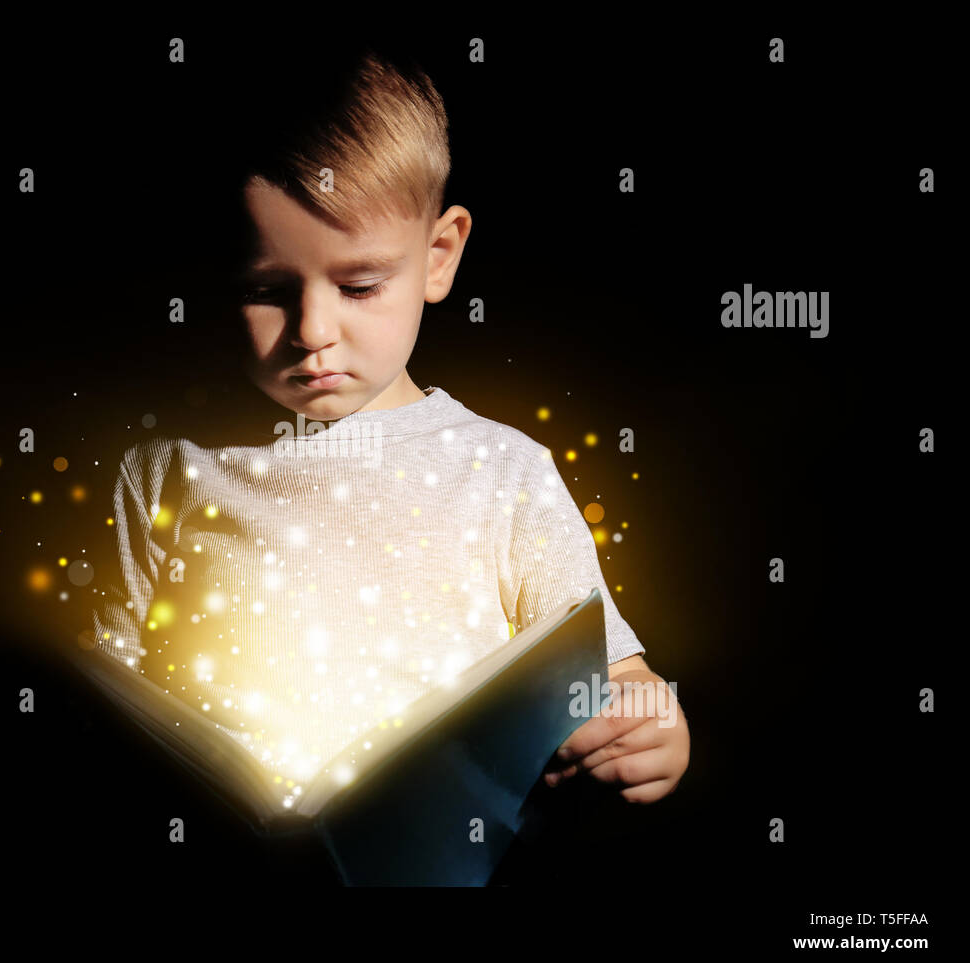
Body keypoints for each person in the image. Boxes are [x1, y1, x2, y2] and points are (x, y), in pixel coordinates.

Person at [94, 45, 688, 809]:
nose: (312, 329)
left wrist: (648, 723)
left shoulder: (503, 471)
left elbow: (610, 676)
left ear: (438, 257)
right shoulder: (163, 471)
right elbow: (110, 698)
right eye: (266, 288)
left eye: (359, 284)